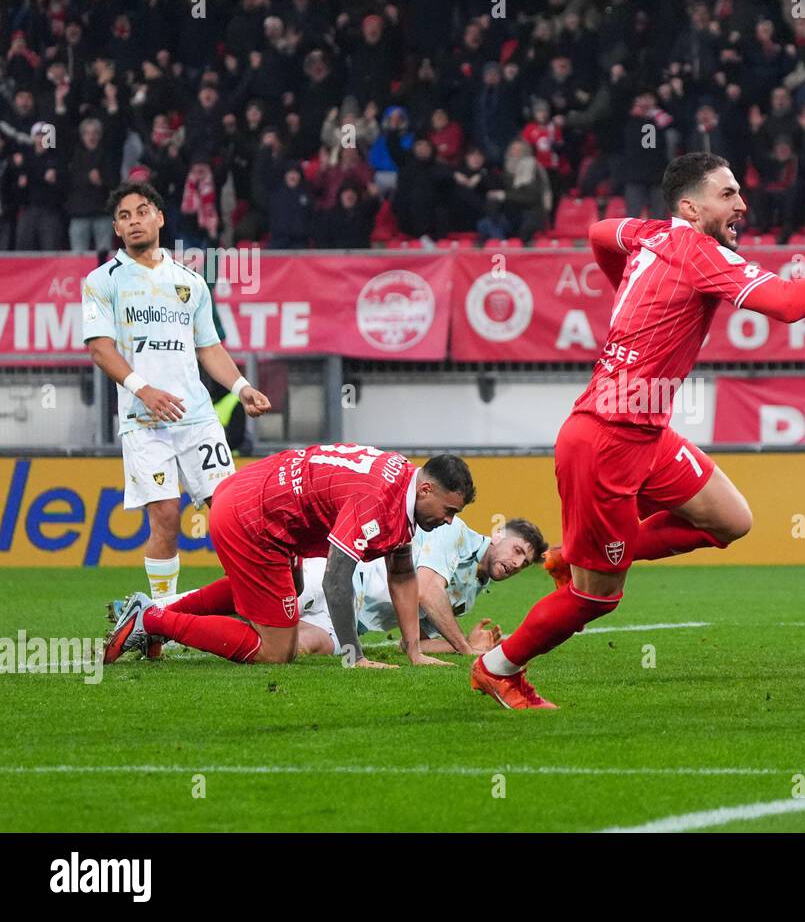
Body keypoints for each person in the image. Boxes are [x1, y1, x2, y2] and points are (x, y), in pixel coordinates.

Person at [469, 152, 805, 709]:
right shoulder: (701, 254)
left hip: (644, 432)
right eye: (727, 194)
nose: (741, 204)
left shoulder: (649, 235)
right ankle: (498, 668)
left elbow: (599, 232)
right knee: (596, 598)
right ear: (690, 206)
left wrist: (627, 286)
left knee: (730, 519)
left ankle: (573, 555)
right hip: (606, 439)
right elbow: (790, 303)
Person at [104, 448, 475, 668]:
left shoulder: (404, 484)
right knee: (277, 650)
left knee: (293, 587)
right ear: (426, 489)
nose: (448, 521)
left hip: (254, 494)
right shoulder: (377, 501)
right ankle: (152, 619)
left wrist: (414, 651)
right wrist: (354, 656)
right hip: (253, 519)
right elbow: (335, 580)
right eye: (448, 510)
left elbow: (402, 571)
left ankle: (161, 617)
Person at [82, 181, 271, 604]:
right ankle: (164, 613)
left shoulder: (190, 281)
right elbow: (99, 348)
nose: (135, 221)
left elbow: (209, 347)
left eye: (142, 211)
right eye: (125, 216)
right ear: (116, 228)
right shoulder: (102, 281)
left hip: (198, 420)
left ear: (160, 218)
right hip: (144, 422)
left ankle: (253, 601)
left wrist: (241, 388)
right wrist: (142, 390)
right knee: (166, 517)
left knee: (228, 514)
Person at [296, 516, 546, 658]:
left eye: (524, 564)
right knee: (268, 608)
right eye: (517, 551)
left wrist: (467, 644)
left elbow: (410, 644)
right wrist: (465, 647)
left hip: (349, 624)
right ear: (498, 535)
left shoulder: (467, 597)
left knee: (297, 648)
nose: (516, 563)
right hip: (337, 577)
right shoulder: (453, 531)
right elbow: (426, 590)